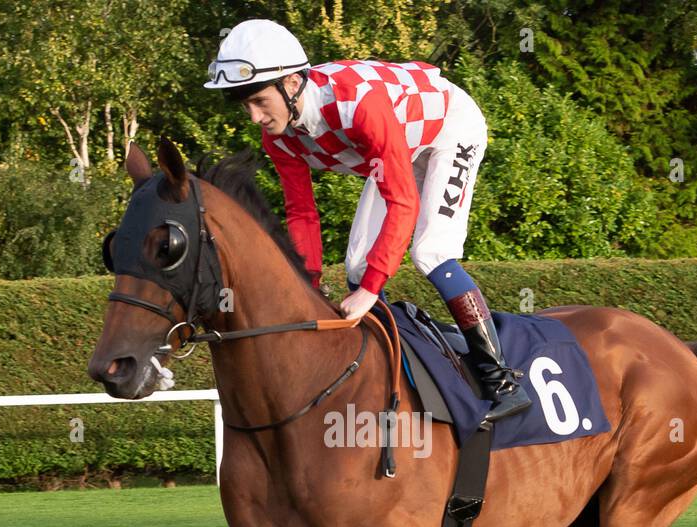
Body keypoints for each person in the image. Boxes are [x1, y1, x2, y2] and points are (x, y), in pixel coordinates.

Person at [204, 19, 531, 423]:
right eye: (245, 105)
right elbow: (302, 213)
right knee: (357, 267)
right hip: (400, 145)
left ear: (291, 84)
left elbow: (403, 200)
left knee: (431, 252)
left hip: (450, 128)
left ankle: (502, 382)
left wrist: (374, 288)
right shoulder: (280, 135)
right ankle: (387, 377)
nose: (254, 117)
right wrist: (308, 280)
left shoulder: (357, 105)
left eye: (259, 101)